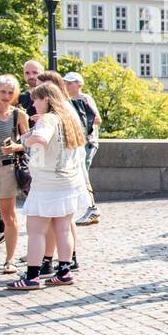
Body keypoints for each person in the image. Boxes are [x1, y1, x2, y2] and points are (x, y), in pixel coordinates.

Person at [5, 80, 86, 290]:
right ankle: (64, 272)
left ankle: (32, 276)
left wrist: (25, 142)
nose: (33, 104)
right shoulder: (68, 118)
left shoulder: (48, 119)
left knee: (36, 230)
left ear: (46, 99)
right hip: (68, 181)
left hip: (47, 184)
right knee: (63, 229)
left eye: (36, 100)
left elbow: (41, 138)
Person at [0, 75, 29, 274]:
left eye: (10, 92)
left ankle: (10, 260)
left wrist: (16, 147)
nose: (6, 96)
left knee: (9, 215)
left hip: (6, 168)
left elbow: (29, 144)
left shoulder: (18, 115)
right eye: (2, 91)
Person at [65, 72, 102, 226]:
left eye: (70, 83)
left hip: (87, 142)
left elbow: (97, 119)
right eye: (65, 82)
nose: (67, 85)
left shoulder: (84, 99)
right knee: (80, 174)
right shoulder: (68, 100)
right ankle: (88, 208)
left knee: (83, 174)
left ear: (79, 84)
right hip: (78, 143)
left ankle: (92, 208)